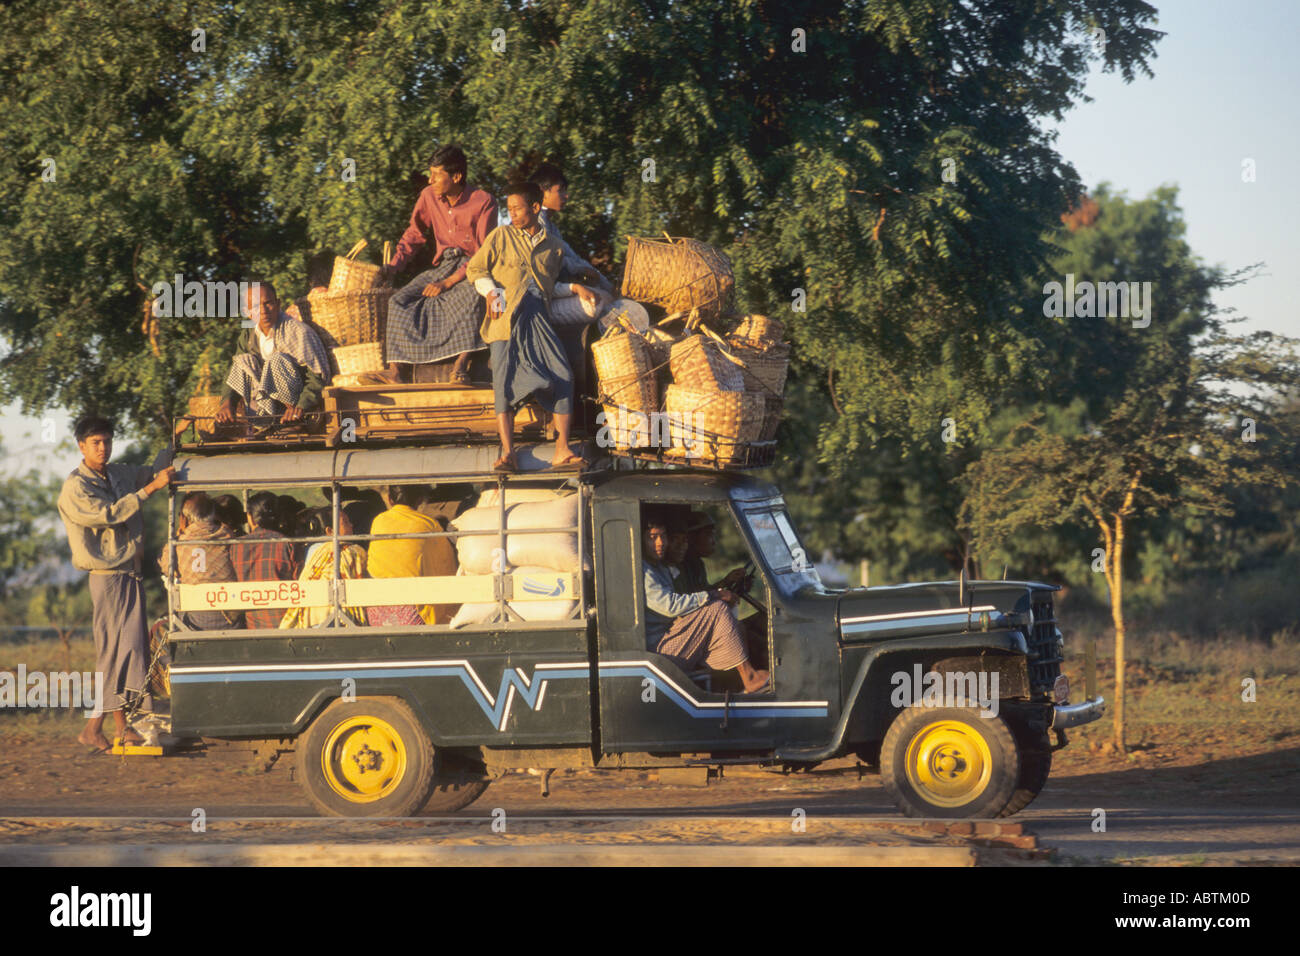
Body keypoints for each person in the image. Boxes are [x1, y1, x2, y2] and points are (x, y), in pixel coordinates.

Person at [57, 415, 175, 752]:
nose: (103, 448)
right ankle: (103, 728)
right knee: (113, 653)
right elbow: (110, 514)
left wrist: (172, 441)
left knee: (132, 649)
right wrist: (151, 489)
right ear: (81, 446)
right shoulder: (76, 487)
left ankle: (110, 728)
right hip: (107, 579)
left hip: (130, 573)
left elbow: (152, 471)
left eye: (107, 441)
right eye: (96, 442)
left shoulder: (119, 473)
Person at [466, 181, 602, 472]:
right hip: (504, 318)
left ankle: (562, 449)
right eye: (509, 209)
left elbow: (549, 289)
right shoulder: (501, 236)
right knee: (503, 383)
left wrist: (576, 287)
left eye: (517, 208)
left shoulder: (553, 247)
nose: (512, 214)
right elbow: (475, 269)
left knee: (563, 375)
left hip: (538, 315)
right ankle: (508, 453)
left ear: (535, 208)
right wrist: (491, 292)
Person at [381, 144, 499, 384]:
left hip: (472, 266)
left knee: (471, 296)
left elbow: (482, 252)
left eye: (437, 174)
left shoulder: (484, 201)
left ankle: (460, 365)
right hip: (443, 264)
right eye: (430, 173)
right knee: (398, 301)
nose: (430, 179)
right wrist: (394, 265)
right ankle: (396, 369)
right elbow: (414, 234)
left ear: (456, 177)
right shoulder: (428, 196)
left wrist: (448, 282)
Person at [641, 514, 770, 694]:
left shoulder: (660, 567)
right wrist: (713, 594)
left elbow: (691, 599)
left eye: (663, 536)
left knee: (738, 625)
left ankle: (735, 681)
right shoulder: (645, 570)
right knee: (717, 609)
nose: (661, 543)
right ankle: (749, 677)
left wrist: (721, 588)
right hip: (660, 650)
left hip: (671, 635)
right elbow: (670, 606)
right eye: (653, 537)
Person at [216, 281, 331, 427]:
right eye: (256, 306)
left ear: (278, 304)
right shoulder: (248, 336)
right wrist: (226, 404)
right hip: (266, 403)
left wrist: (302, 406)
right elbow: (235, 370)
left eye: (268, 303)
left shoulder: (296, 331)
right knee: (242, 361)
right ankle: (262, 422)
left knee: (276, 360)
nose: (263, 311)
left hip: (298, 403)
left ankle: (293, 420)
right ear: (247, 312)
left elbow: (318, 375)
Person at [367, 485, 458, 626]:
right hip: (412, 613)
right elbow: (445, 564)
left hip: (376, 609)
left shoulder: (378, 521)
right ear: (420, 500)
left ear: (390, 499)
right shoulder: (428, 524)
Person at [166, 492, 244, 631]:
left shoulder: (177, 544)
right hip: (230, 620)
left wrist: (180, 533)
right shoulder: (228, 536)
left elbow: (166, 567)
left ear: (185, 517)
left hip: (194, 622)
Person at [280, 507, 368, 629]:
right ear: (330, 531)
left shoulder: (310, 549)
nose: (351, 525)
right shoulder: (353, 551)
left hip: (309, 618)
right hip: (340, 618)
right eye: (346, 522)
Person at [232, 491, 301, 630]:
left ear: (250, 518)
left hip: (252, 625)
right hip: (287, 624)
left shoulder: (235, 546)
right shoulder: (289, 544)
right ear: (279, 517)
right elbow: (300, 581)